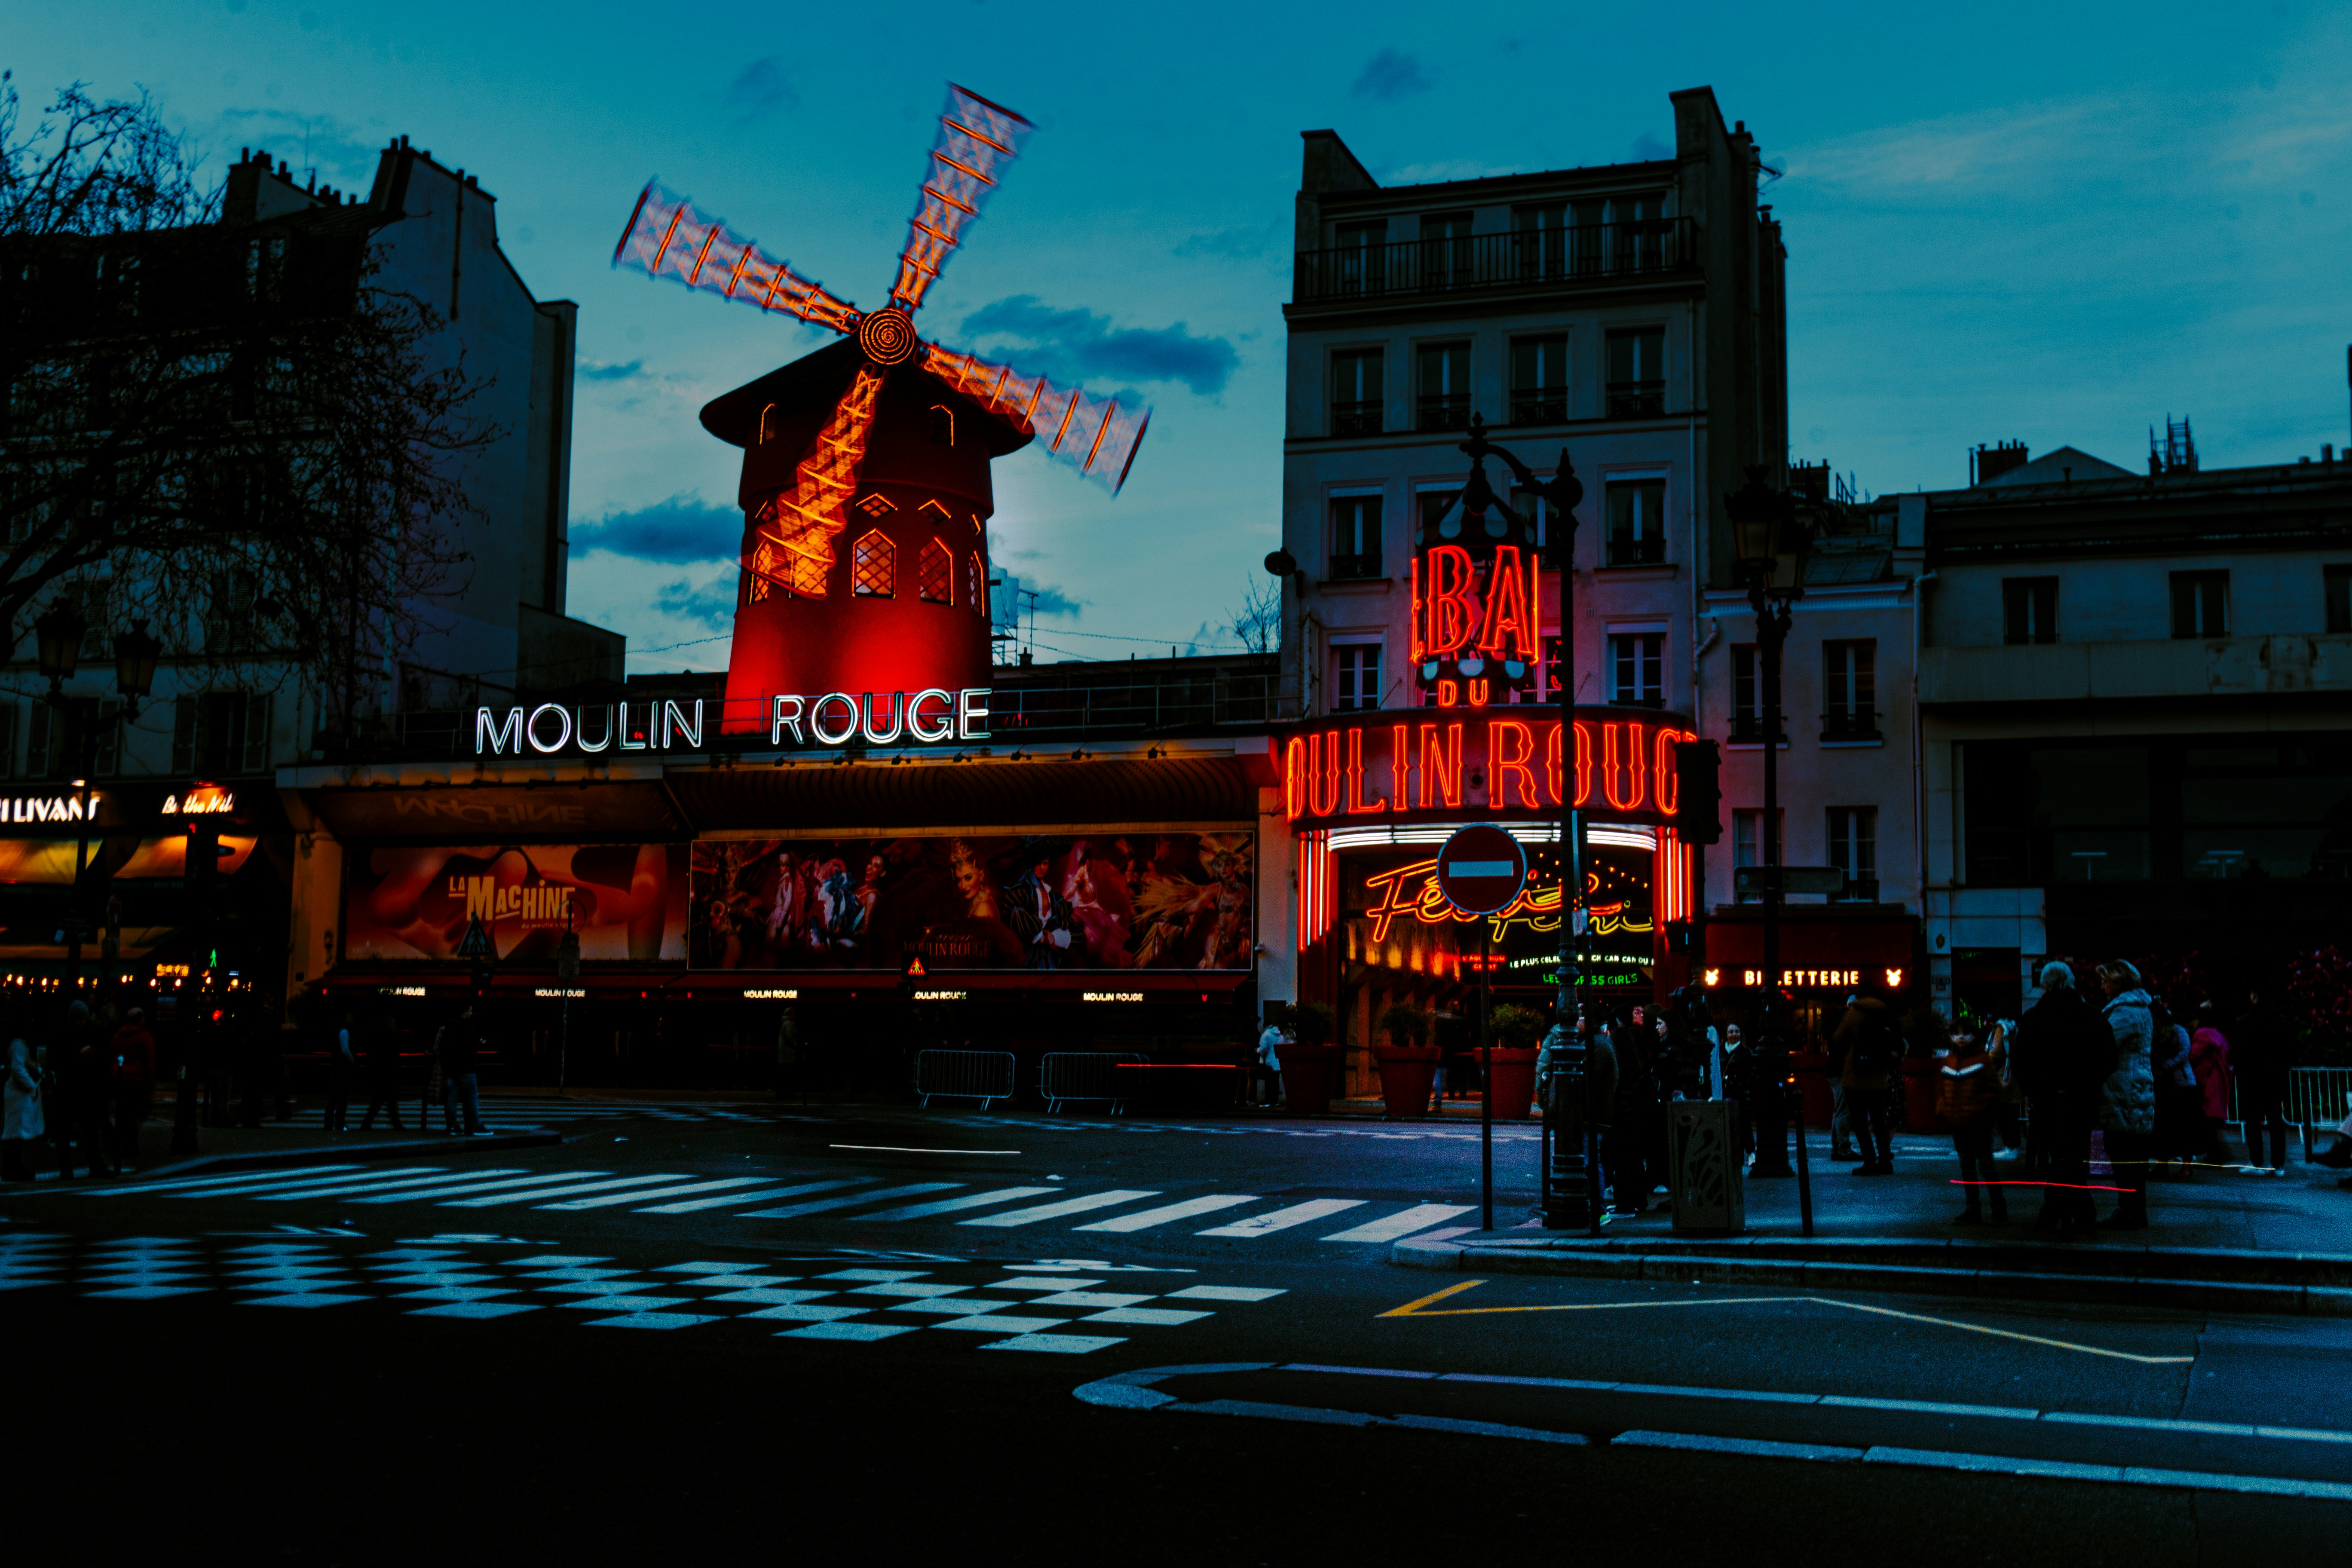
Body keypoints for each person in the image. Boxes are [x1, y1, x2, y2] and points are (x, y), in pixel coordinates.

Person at [2094, 960, 2157, 1228]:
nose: (2102, 985)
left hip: (2123, 1090)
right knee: (2132, 1154)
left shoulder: (2124, 1012)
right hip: (2137, 1088)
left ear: (2118, 982)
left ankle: (2130, 1211)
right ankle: (2134, 1210)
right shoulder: (2140, 1009)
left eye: (2105, 980)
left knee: (2122, 1153)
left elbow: (2101, 1045)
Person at [1830, 987, 1900, 1176]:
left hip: (1855, 1076)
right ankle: (1885, 1161)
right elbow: (1899, 1042)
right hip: (1879, 1077)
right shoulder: (1887, 1012)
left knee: (1860, 1123)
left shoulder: (1854, 1013)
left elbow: (1837, 1040)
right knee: (1879, 1122)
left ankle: (1869, 1162)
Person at [1939, 1031, 2006, 1222]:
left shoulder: (1982, 1060)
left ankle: (1997, 1207)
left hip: (1978, 1121)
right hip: (1959, 1121)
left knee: (1985, 1164)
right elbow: (1942, 1089)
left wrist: (1976, 1109)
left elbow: (1992, 1090)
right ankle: (1974, 1208)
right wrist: (1944, 1109)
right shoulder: (1950, 1061)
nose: (1960, 1038)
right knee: (1967, 1165)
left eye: (1966, 1033)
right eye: (1956, 1033)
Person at [2230, 988, 2294, 1176]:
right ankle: (2278, 1165)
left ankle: (2257, 1162)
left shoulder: (2246, 1022)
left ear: (2254, 997)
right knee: (2276, 1122)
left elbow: (2239, 1053)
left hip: (2252, 1078)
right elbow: (2289, 1053)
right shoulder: (2283, 1022)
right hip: (2275, 1078)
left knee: (2253, 1122)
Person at [61, 1002, 117, 1178]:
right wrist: (80, 1055)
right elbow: (59, 1061)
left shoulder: (86, 1032)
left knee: (87, 1130)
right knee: (75, 1130)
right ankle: (71, 1169)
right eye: (78, 1020)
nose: (81, 1022)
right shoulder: (71, 1034)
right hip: (74, 1087)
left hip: (82, 1087)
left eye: (83, 1019)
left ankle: (92, 1166)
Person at [108, 1007, 157, 1169]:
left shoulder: (119, 1035)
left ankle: (117, 1145)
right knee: (135, 1115)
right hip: (137, 1080)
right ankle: (131, 1147)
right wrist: (151, 1081)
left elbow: (113, 1053)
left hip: (120, 1078)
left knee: (123, 1114)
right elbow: (149, 1060)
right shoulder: (144, 1037)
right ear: (141, 1019)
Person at [2188, 1001, 2231, 1167]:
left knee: (2205, 1120)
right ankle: (2214, 1155)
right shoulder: (2218, 1034)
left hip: (2207, 1081)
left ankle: (2213, 1155)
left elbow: (2193, 1056)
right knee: (2210, 1122)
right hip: (2219, 1079)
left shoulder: (2203, 1034)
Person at [438, 1007, 485, 1136]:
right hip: (467, 1067)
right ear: (463, 1013)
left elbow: (442, 1047)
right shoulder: (469, 1028)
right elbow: (472, 1046)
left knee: (452, 1097)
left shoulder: (450, 1028)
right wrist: (480, 1043)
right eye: (469, 1011)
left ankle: (452, 1126)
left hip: (452, 1067)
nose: (471, 1013)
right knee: (471, 1097)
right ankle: (476, 1125)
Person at [3, 1038, 42, 1182]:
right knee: (16, 1130)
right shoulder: (20, 1044)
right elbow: (18, 1068)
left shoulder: (19, 1044)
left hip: (20, 1091)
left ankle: (12, 1167)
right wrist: (32, 1085)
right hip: (19, 1091)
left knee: (16, 1130)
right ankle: (12, 1167)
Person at [359, 1009, 404, 1130]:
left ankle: (368, 1123)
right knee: (388, 1100)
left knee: (379, 1100)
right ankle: (396, 1124)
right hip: (388, 1071)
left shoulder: (377, 1034)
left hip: (380, 1071)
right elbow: (392, 1054)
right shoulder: (389, 1036)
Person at [325, 1011, 356, 1133]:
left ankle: (329, 1123)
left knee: (334, 1098)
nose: (351, 1018)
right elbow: (345, 1049)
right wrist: (353, 1060)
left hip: (337, 1067)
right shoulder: (345, 1031)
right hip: (344, 1069)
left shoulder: (338, 1030)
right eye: (349, 1016)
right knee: (342, 1098)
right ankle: (339, 1123)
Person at [1254, 1011, 1286, 1110]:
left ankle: (1268, 1101)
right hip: (1278, 1062)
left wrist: (1257, 1050)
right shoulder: (1280, 1035)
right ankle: (1275, 1101)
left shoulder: (1266, 1035)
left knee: (1268, 1082)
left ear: (1265, 1025)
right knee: (1276, 1082)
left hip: (1268, 1063)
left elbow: (1263, 1049)